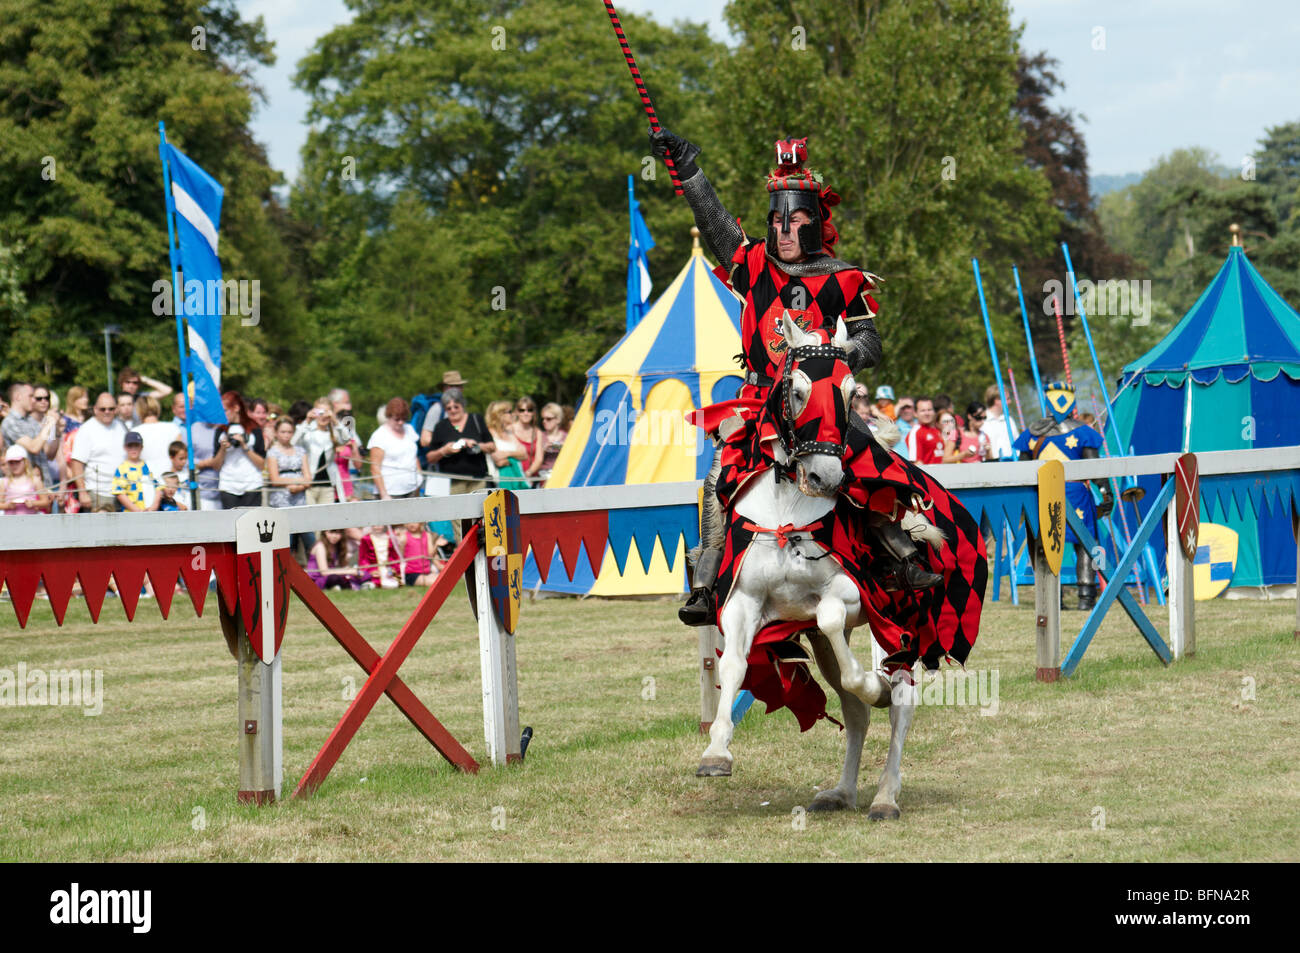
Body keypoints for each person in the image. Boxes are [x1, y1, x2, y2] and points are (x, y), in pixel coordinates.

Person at [650, 130, 942, 624]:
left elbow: (871, 342)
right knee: (717, 480)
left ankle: (900, 555)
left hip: (821, 400)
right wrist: (687, 166)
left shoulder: (843, 277)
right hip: (761, 401)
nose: (784, 231)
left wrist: (836, 351)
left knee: (865, 458)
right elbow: (714, 221)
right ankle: (705, 582)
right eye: (778, 222)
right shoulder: (751, 264)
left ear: (814, 225)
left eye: (796, 221)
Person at [1013, 380, 1113, 611]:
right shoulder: (1082, 432)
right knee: (1084, 544)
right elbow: (1094, 468)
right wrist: (1106, 492)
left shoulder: (1031, 433)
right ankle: (1084, 597)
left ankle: (1058, 597)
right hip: (1073, 493)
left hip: (1047, 495)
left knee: (1052, 543)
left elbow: (1021, 471)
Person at [426, 388, 493, 496]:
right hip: (452, 483)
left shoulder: (476, 419)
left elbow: (492, 446)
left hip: (478, 480)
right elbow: (430, 457)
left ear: (462, 405)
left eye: (456, 407)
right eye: (449, 408)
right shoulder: (440, 426)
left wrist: (477, 445)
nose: (453, 410)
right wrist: (444, 450)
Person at [69, 392, 127, 512]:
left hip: (122, 492)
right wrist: (82, 492)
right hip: (97, 493)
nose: (107, 412)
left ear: (116, 409)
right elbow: (77, 463)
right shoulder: (87, 429)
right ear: (95, 409)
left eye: (111, 409)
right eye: (103, 409)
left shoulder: (121, 426)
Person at [213, 391, 267, 509]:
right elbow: (216, 466)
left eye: (226, 410)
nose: (223, 414)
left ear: (236, 408)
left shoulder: (254, 428)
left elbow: (262, 464)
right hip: (228, 485)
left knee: (252, 524)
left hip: (252, 484)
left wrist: (244, 446)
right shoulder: (220, 431)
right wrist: (223, 449)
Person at [3, 382, 61, 488]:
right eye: (30, 396)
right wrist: (49, 424)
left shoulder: (31, 421)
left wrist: (57, 431)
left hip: (46, 485)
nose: (33, 400)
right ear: (18, 397)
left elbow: (49, 454)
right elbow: (34, 447)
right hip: (26, 491)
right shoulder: (10, 422)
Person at [368, 398, 422, 500]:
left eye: (404, 418)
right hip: (390, 492)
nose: (401, 422)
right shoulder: (379, 436)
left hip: (412, 489)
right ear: (389, 416)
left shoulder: (409, 429)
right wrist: (384, 494)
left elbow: (414, 456)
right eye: (397, 419)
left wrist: (419, 477)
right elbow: (374, 468)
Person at [295, 398, 345, 505]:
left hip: (328, 484)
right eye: (320, 412)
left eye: (326, 412)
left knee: (326, 518)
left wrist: (335, 420)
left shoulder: (334, 433)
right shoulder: (308, 432)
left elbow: (347, 438)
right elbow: (294, 442)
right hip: (309, 484)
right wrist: (307, 420)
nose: (323, 416)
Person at [133, 395, 183, 485]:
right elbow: (180, 456)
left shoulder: (135, 432)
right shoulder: (173, 428)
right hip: (171, 480)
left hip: (147, 481)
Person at [485, 400, 530, 490]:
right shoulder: (489, 433)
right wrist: (516, 457)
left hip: (515, 480)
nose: (512, 414)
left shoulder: (509, 433)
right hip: (496, 483)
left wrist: (507, 454)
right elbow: (499, 460)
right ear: (499, 415)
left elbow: (525, 454)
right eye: (509, 412)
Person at [1, 444, 53, 514]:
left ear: (25, 462)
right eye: (11, 463)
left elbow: (46, 502)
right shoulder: (4, 482)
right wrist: (8, 505)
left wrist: (33, 503)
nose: (14, 465)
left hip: (30, 520)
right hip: (10, 521)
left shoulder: (35, 480)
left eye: (17, 462)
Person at [113, 431, 154, 512]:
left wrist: (153, 508)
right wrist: (137, 511)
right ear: (125, 447)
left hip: (150, 512)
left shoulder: (149, 466)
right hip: (130, 514)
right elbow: (119, 493)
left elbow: (158, 488)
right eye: (130, 446)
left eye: (136, 446)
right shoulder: (121, 469)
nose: (133, 449)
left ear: (141, 447)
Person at [981, 384, 1019, 461]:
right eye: (1007, 399)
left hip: (1011, 464)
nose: (1010, 402)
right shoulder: (982, 421)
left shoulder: (1010, 420)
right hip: (990, 465)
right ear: (997, 400)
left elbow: (1017, 444)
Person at [904, 397, 943, 466]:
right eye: (923, 410)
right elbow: (916, 463)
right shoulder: (915, 433)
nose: (927, 413)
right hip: (930, 475)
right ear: (915, 413)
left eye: (929, 410)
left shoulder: (939, 429)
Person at [513, 397, 545, 479]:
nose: (525, 413)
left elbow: (539, 459)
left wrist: (528, 473)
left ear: (534, 412)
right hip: (513, 477)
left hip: (532, 478)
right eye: (522, 410)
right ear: (516, 412)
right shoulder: (510, 430)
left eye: (529, 410)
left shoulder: (538, 432)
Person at [535, 402, 567, 482]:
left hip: (562, 476)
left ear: (558, 420)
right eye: (543, 418)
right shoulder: (539, 436)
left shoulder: (567, 437)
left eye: (548, 419)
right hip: (543, 477)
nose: (544, 421)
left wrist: (564, 448)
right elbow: (534, 460)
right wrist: (543, 450)